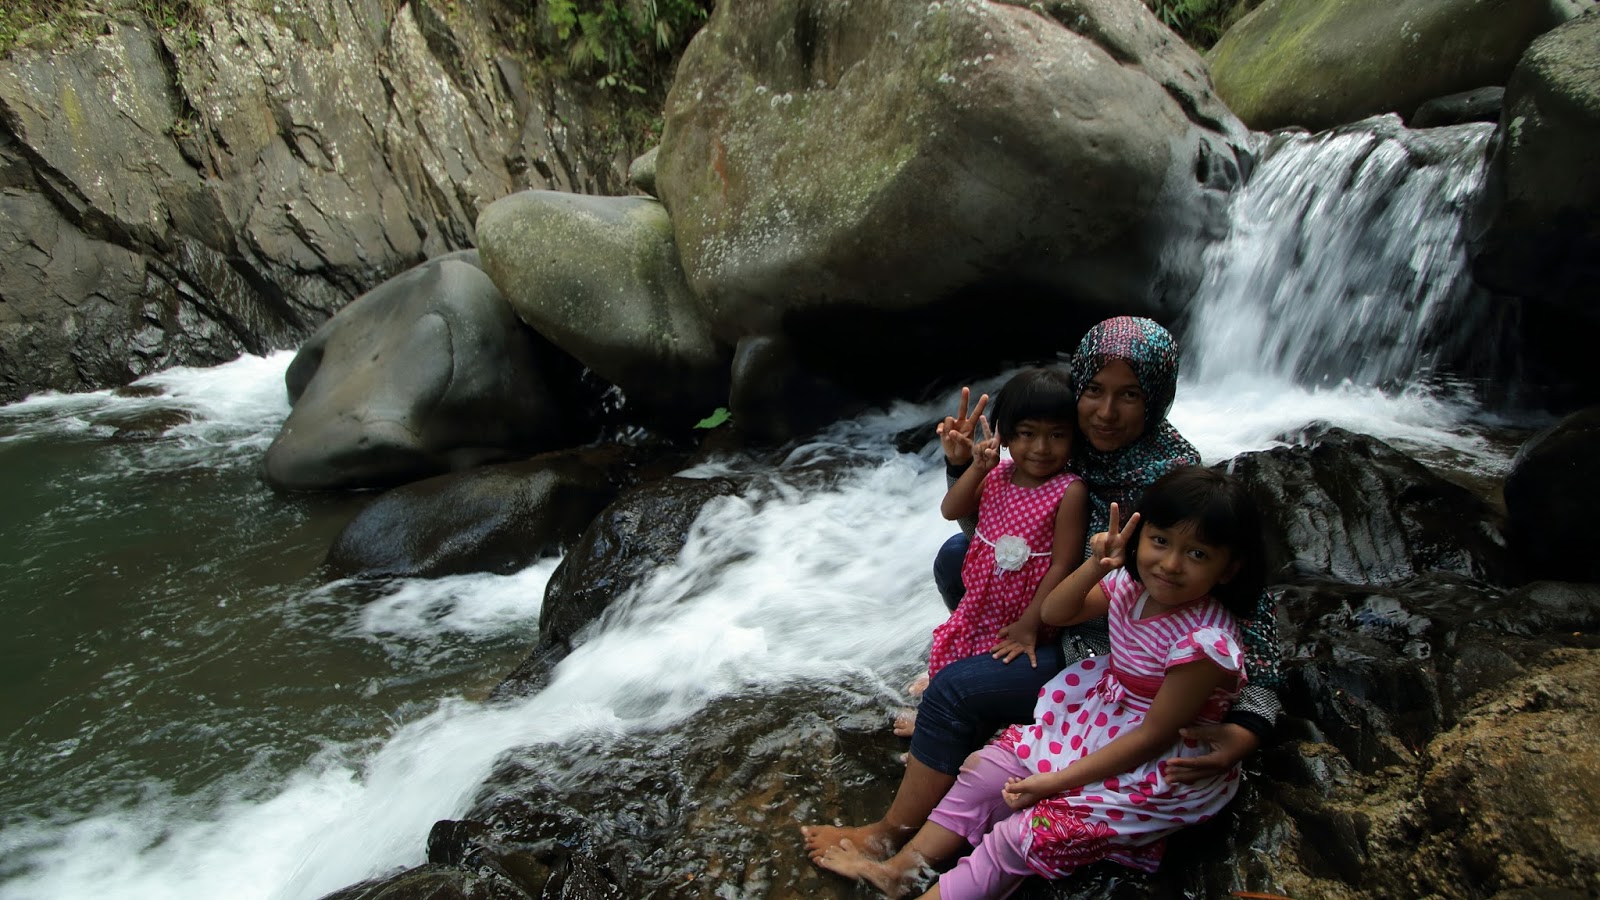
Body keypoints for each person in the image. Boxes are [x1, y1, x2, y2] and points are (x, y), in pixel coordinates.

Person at [802, 316, 1283, 861]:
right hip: (1051, 603)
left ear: (1158, 396)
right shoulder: (1065, 446)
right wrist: (959, 465)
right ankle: (991, 685)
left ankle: (893, 832)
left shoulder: (1175, 484)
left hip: (1109, 649)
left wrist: (1249, 727)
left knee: (954, 690)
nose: (1106, 412)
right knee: (955, 558)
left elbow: (1251, 620)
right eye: (1094, 391)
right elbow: (996, 537)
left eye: (1129, 395)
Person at [816, 467, 1268, 898]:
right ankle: (899, 870)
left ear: (1228, 569)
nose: (1169, 564)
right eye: (1159, 541)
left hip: (1153, 768)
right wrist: (1096, 565)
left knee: (1021, 834)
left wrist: (1054, 784)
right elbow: (1056, 613)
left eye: (1197, 554)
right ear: (1139, 535)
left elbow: (1153, 737)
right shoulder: (1134, 587)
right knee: (983, 773)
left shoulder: (1204, 643)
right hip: (1101, 722)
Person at [927, 367, 1088, 680]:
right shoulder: (998, 472)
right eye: (1027, 434)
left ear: (1074, 437)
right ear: (1006, 434)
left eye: (1057, 435)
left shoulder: (1069, 490)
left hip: (1027, 612)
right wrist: (974, 467)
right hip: (982, 601)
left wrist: (1031, 624)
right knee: (957, 649)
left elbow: (1062, 565)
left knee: (989, 668)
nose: (1041, 448)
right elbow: (951, 509)